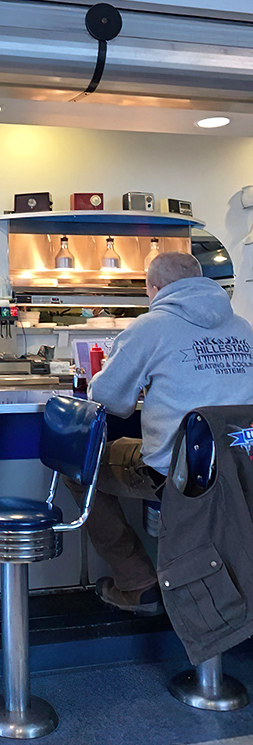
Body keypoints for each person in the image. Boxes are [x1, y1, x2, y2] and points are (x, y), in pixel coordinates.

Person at [70, 251, 253, 614]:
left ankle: (137, 583)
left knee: (77, 467)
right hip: (240, 467)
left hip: (180, 470)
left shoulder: (150, 326)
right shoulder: (242, 327)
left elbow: (111, 400)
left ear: (153, 289)